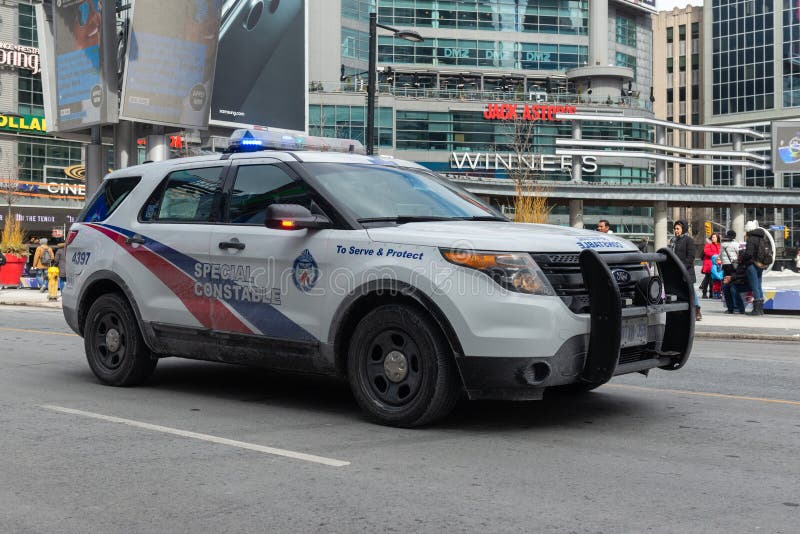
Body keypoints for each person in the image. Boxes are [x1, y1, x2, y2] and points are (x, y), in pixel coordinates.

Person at [670, 220, 701, 321]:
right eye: (675, 229)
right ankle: (681, 311)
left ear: (683, 229)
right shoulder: (673, 241)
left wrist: (682, 267)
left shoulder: (689, 240)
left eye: (678, 229)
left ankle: (697, 311)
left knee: (691, 291)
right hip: (676, 272)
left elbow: (691, 257)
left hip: (686, 271)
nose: (676, 230)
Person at [742, 220, 769, 316]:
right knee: (758, 286)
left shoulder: (751, 239)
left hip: (752, 265)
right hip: (760, 265)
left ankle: (756, 310)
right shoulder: (762, 238)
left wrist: (743, 259)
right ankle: (761, 309)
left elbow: (749, 254)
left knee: (754, 286)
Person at [699, 232, 721, 299]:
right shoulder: (708, 244)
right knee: (707, 278)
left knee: (713, 279)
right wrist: (716, 255)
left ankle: (712, 293)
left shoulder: (719, 245)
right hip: (709, 263)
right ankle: (704, 293)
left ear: (718, 238)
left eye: (715, 237)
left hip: (716, 264)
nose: (713, 238)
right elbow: (707, 252)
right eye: (712, 237)